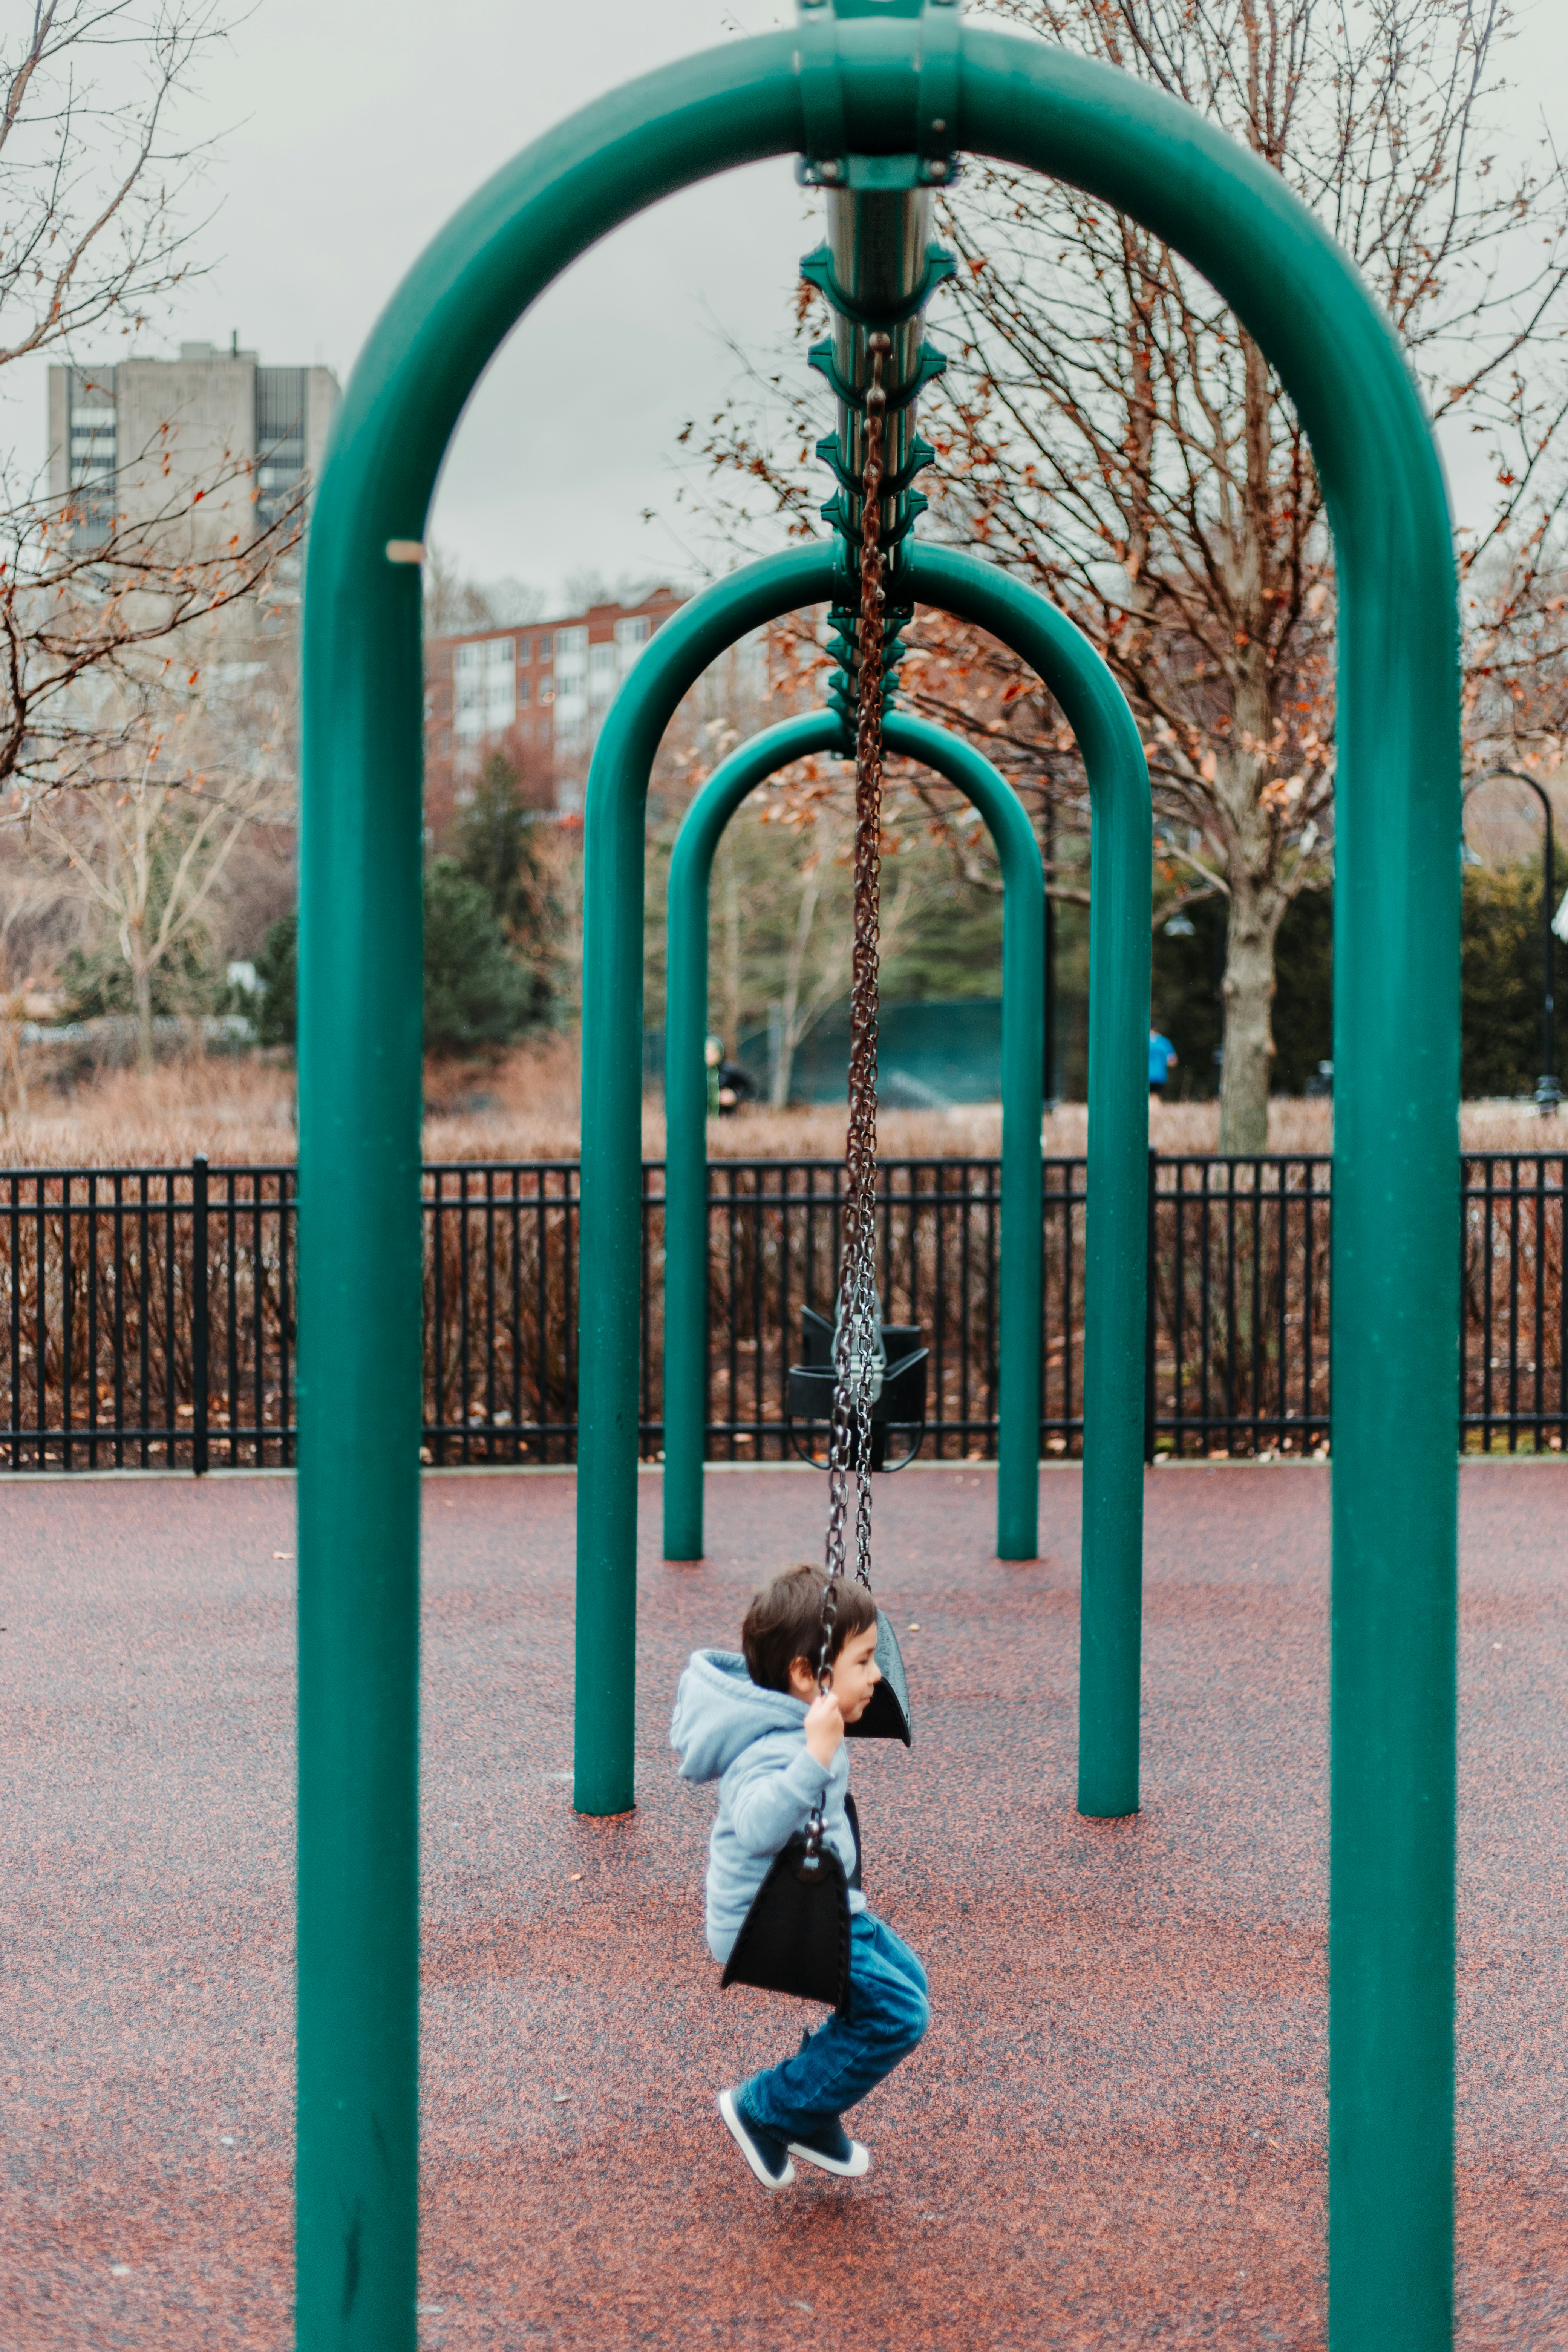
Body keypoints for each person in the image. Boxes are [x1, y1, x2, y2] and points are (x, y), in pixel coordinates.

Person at [669, 1563, 930, 2191]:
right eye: (864, 1662)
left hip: (823, 1905)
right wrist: (813, 1758)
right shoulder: (767, 1747)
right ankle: (767, 2108)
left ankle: (813, 2113)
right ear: (806, 1677)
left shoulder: (808, 1720)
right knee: (899, 2014)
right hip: (767, 1923)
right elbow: (760, 1826)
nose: (876, 1676)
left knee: (908, 1984)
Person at [1149, 1023, 1178, 1098]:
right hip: (1159, 1075)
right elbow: (1173, 1061)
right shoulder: (1164, 1042)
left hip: (1145, 1075)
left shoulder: (1142, 1042)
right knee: (1155, 1096)